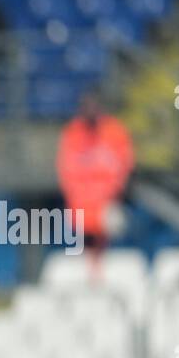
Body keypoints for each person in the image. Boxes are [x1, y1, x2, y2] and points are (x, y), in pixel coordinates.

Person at [56, 91, 134, 254]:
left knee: (112, 224)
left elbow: (125, 164)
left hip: (108, 202)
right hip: (81, 204)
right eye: (86, 107)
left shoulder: (114, 130)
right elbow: (66, 169)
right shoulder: (73, 132)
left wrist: (112, 193)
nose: (90, 111)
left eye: (94, 106)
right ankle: (91, 267)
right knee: (82, 238)